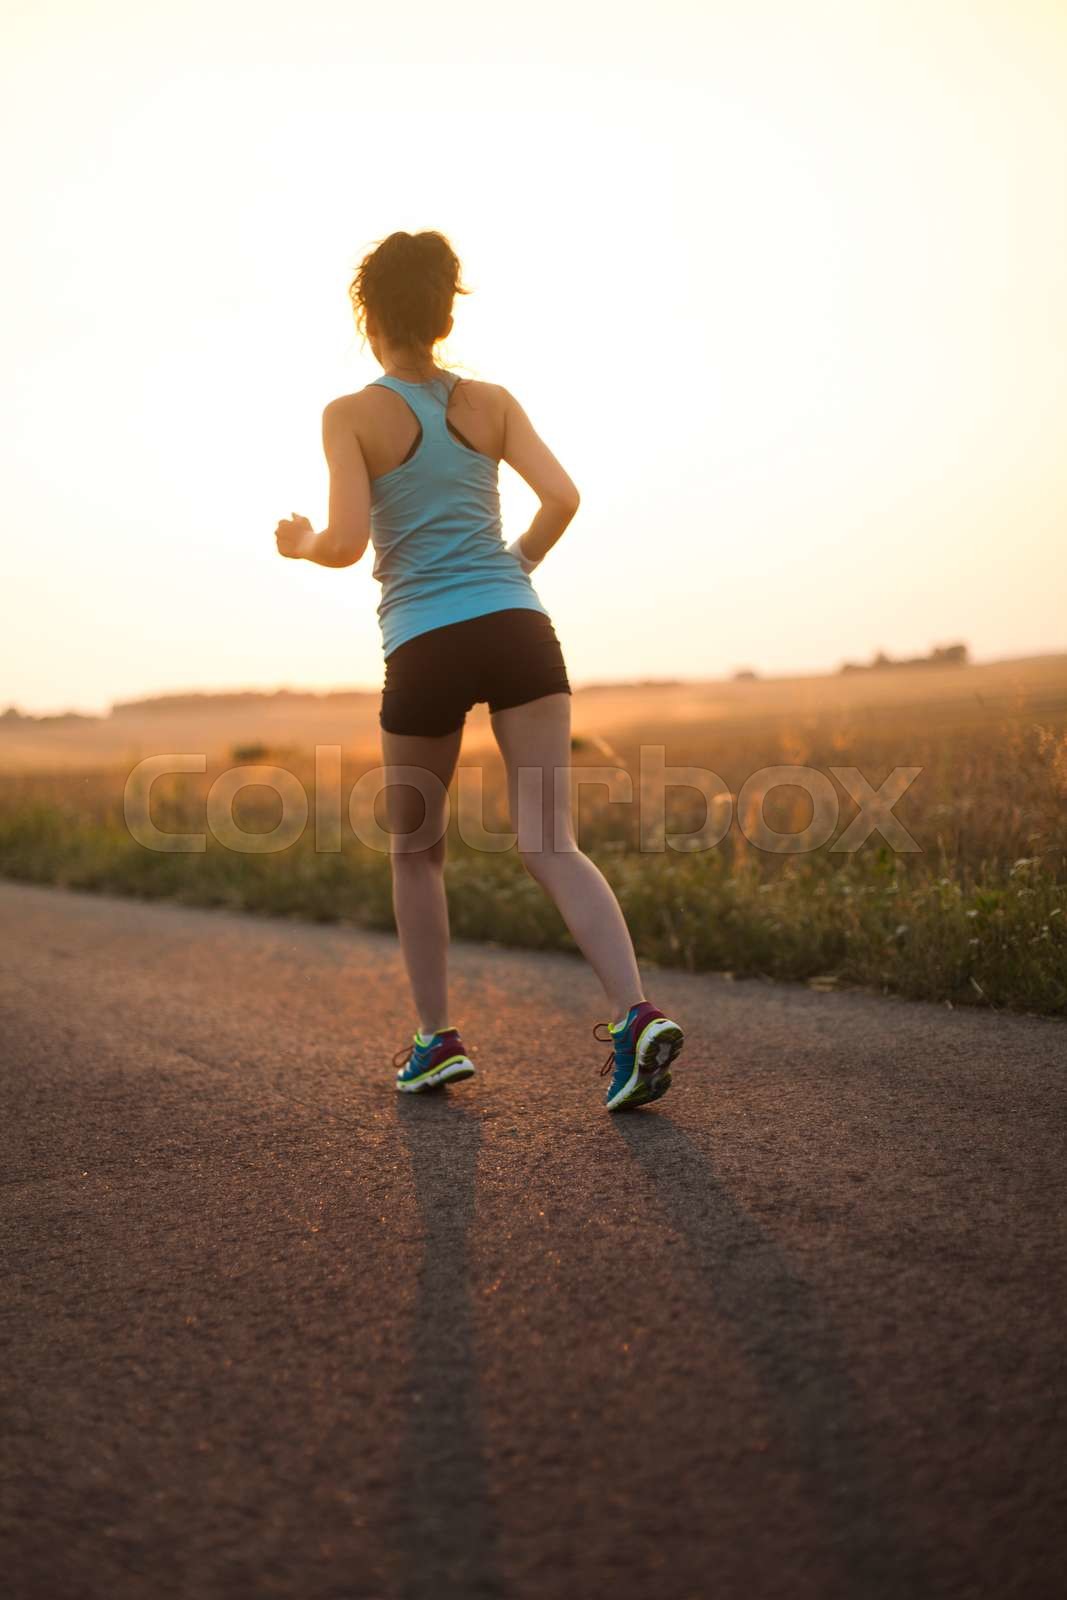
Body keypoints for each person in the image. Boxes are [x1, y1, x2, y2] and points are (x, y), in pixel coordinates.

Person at [275, 229, 683, 1110]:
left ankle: (435, 1042)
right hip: (517, 626)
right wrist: (515, 567)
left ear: (367, 313)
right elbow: (563, 498)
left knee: (416, 853)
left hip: (423, 641)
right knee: (550, 840)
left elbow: (346, 544)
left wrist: (299, 544)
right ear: (444, 308)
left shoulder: (350, 413)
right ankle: (636, 1013)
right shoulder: (493, 400)